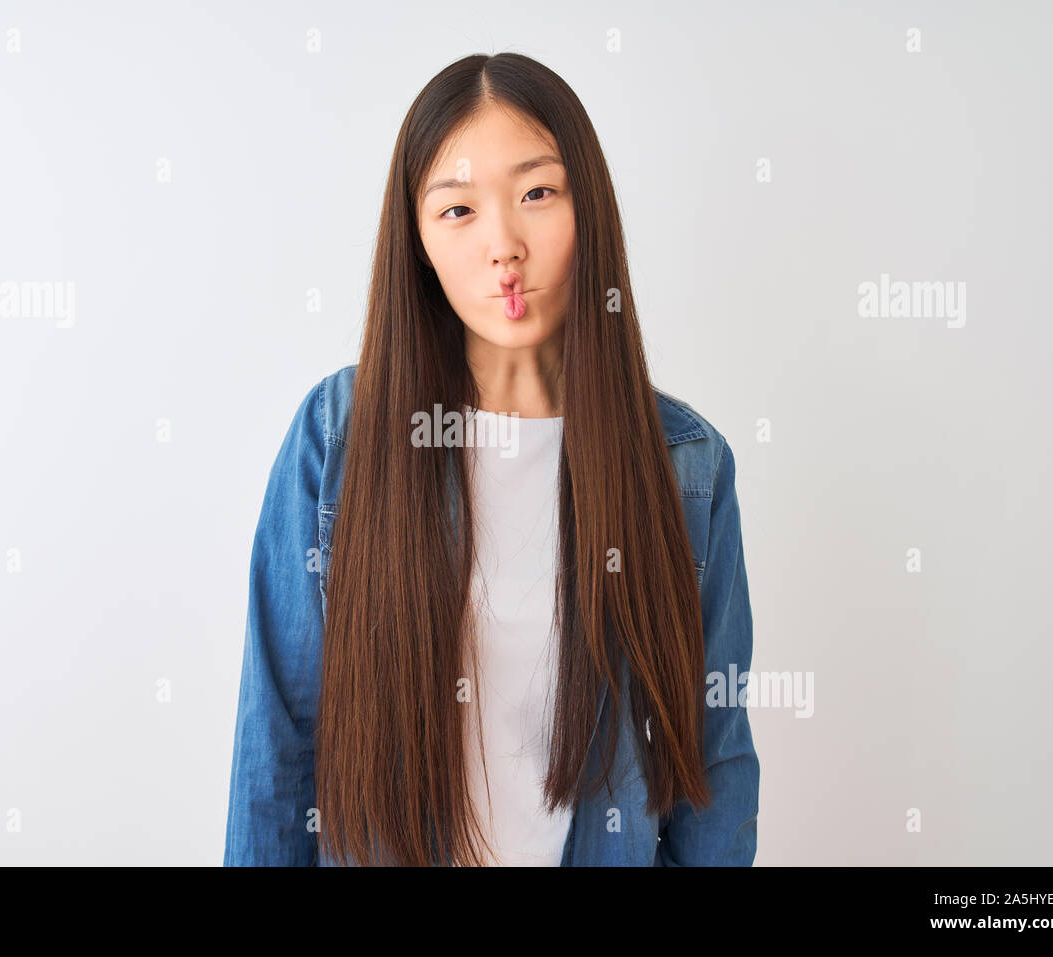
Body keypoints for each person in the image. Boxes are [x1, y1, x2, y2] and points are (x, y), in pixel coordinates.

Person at [224, 52, 758, 866]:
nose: (504, 246)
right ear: (420, 244)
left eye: (537, 194)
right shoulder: (338, 437)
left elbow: (710, 765)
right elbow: (279, 748)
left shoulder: (687, 466)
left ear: (590, 209)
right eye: (458, 210)